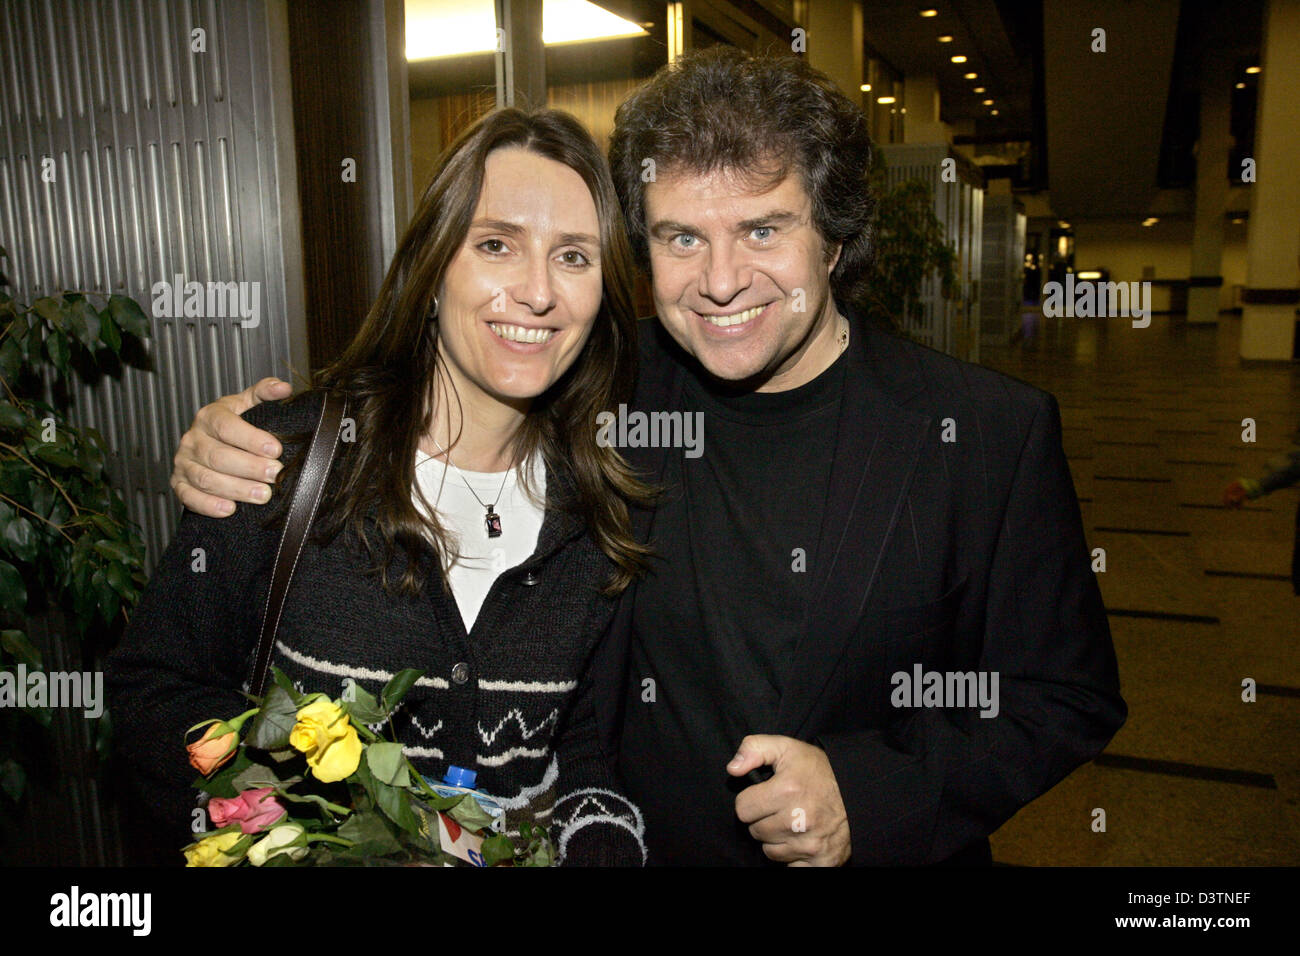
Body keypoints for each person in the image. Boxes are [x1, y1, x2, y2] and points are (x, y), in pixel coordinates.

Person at [168, 48, 1127, 866]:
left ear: (833, 238)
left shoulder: (984, 434)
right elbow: (448, 382)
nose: (720, 282)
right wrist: (257, 434)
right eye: (680, 237)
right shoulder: (600, 395)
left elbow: (1066, 697)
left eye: (762, 229)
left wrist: (869, 793)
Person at [106, 108, 653, 866]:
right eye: (496, 245)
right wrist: (305, 827)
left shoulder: (600, 515)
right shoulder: (286, 461)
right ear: (432, 270)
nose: (537, 293)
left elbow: (588, 741)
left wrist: (599, 848)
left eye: (574, 257)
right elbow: (149, 690)